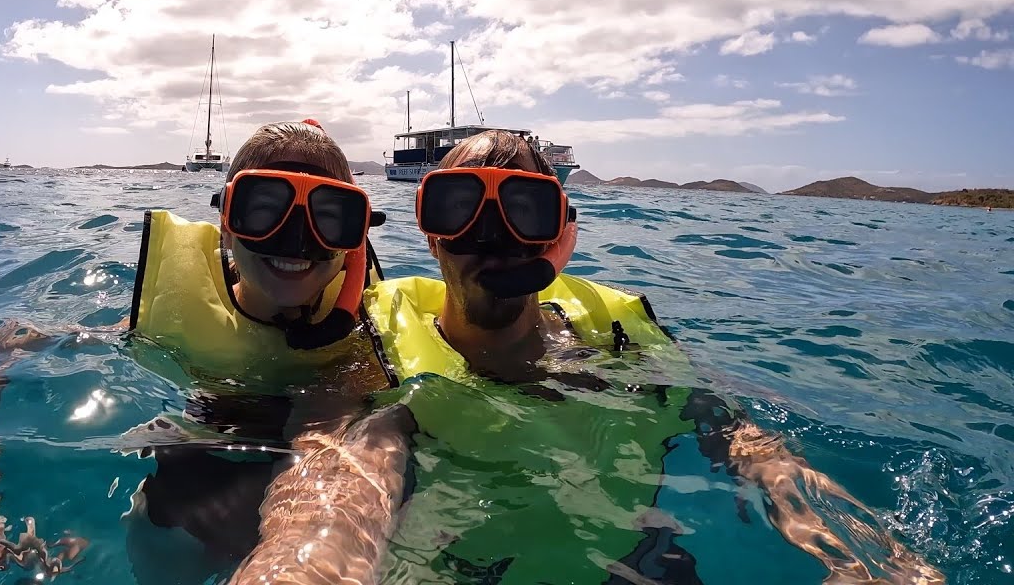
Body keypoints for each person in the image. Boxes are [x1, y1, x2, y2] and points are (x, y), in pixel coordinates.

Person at [230, 130, 944, 585]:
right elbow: (334, 479)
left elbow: (751, 446)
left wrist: (869, 558)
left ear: (558, 239)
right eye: (457, 208)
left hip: (637, 564)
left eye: (526, 212)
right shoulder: (378, 347)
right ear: (431, 235)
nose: (492, 235)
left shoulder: (621, 337)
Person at [0, 120, 393, 579]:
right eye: (265, 209)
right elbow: (4, 344)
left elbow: (332, 460)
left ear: (355, 241)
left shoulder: (370, 340)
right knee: (159, 552)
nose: (297, 239)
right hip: (196, 476)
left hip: (322, 479)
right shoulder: (171, 320)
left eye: (329, 217)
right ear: (226, 225)